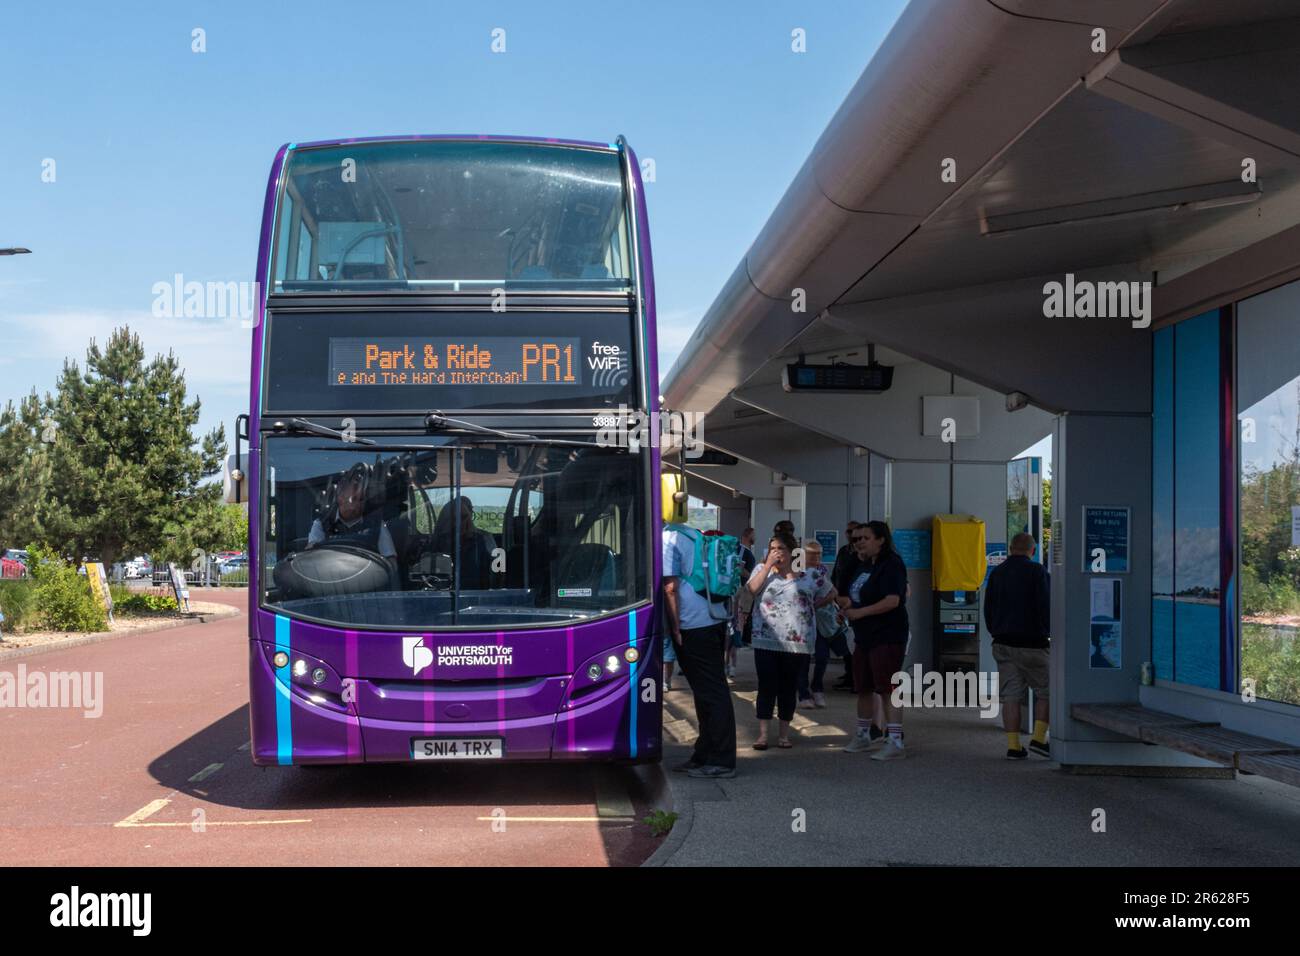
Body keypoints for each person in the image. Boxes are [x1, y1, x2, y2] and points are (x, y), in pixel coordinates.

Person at [663, 524, 737, 778]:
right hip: (713, 616)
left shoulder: (667, 537)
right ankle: (704, 754)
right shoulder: (691, 533)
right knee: (707, 691)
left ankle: (722, 760)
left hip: (692, 623)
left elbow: (670, 587)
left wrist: (674, 628)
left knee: (712, 693)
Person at [746, 532, 832, 749]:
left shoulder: (809, 575)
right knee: (766, 686)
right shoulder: (761, 571)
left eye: (781, 549)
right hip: (766, 639)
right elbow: (751, 590)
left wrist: (814, 605)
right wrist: (767, 566)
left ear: (793, 552)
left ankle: (784, 735)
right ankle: (763, 735)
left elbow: (832, 593)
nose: (776, 553)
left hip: (797, 641)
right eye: (773, 548)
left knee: (787, 687)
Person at [839, 521, 910, 760]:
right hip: (864, 635)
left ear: (880, 539)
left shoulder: (891, 564)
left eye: (864, 538)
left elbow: (893, 600)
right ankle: (863, 734)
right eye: (856, 539)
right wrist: (849, 605)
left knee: (888, 689)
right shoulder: (862, 565)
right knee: (864, 688)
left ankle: (895, 740)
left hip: (887, 635)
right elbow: (856, 594)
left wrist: (860, 612)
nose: (858, 542)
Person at [985, 532, 1051, 759]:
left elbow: (989, 607)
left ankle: (1013, 746)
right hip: (1033, 644)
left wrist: (996, 630)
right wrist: (1048, 631)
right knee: (1048, 692)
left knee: (1011, 696)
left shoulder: (997, 573)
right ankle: (1039, 739)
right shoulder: (1037, 571)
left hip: (1002, 643)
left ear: (1011, 548)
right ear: (1033, 551)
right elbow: (1045, 605)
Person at [308, 464, 398, 562]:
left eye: (361, 499)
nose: (358, 504)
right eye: (354, 499)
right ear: (340, 498)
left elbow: (391, 561)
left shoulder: (377, 525)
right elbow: (312, 556)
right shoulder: (322, 524)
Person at [431, 495, 496, 590]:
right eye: (455, 518)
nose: (460, 523)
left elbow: (498, 571)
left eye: (464, 516)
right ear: (446, 520)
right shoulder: (438, 543)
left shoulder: (482, 540)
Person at [728, 528, 757, 682]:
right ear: (747, 535)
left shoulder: (732, 551)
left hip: (729, 596)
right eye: (754, 535)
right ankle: (731, 666)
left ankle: (729, 665)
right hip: (739, 597)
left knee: (731, 631)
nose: (755, 537)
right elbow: (750, 576)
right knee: (735, 630)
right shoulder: (746, 553)